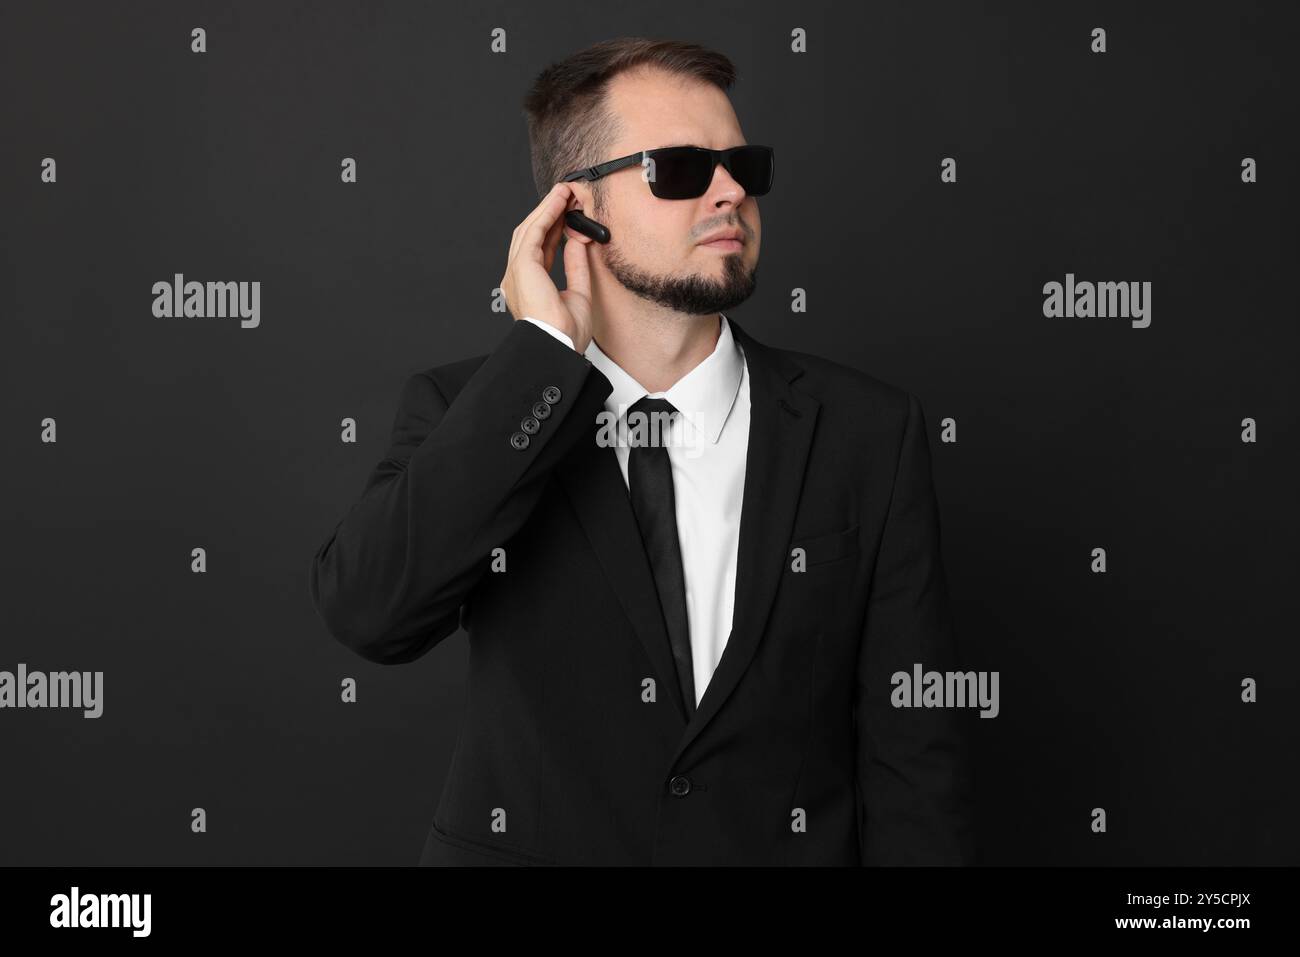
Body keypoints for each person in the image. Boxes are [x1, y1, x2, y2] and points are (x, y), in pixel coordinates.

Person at [309, 37, 975, 866]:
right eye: (682, 169)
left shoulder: (868, 432)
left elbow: (916, 766)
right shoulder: (470, 409)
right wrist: (542, 357)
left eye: (742, 164)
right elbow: (371, 611)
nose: (731, 191)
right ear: (577, 208)